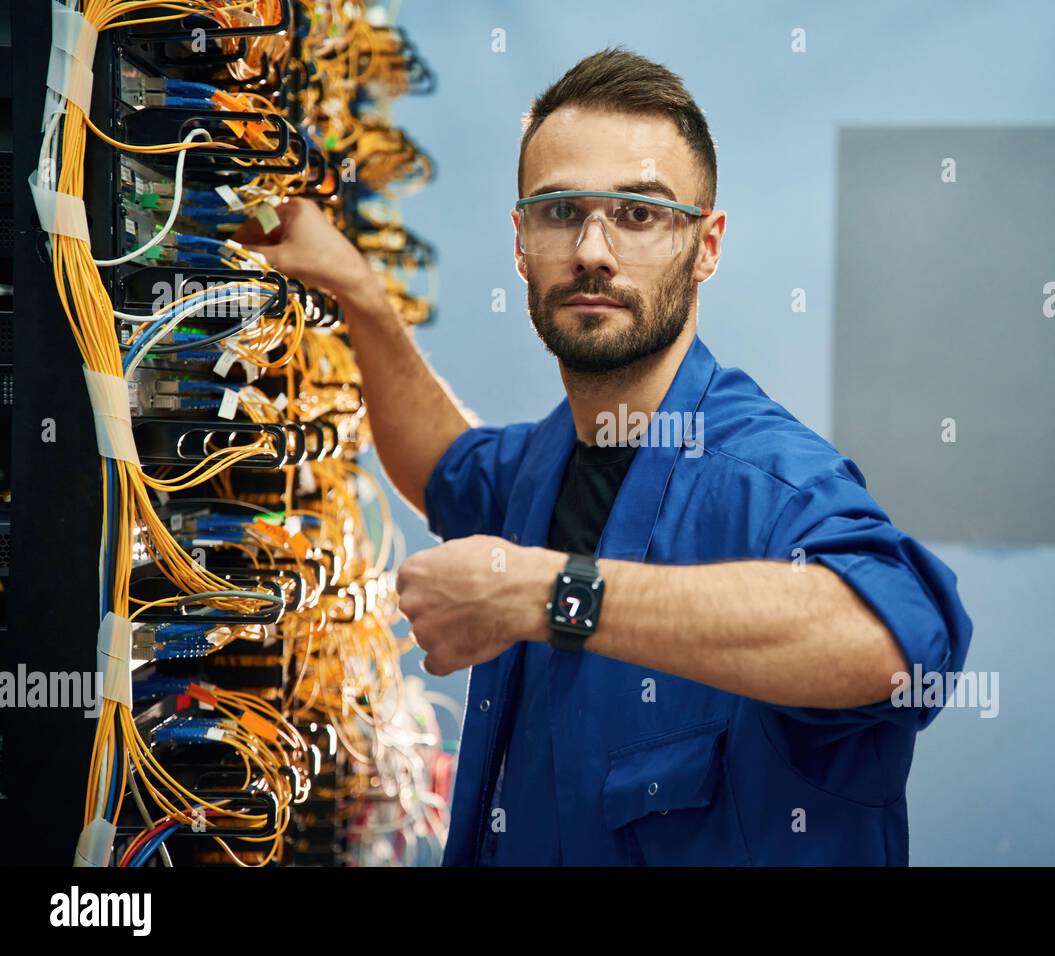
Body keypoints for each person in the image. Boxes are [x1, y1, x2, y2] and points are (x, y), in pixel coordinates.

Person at [241, 46, 973, 866]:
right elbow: (441, 463)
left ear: (707, 246)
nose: (592, 248)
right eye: (560, 211)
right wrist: (362, 295)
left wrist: (546, 595)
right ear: (520, 243)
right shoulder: (550, 463)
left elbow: (890, 645)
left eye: (639, 213)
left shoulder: (767, 479)